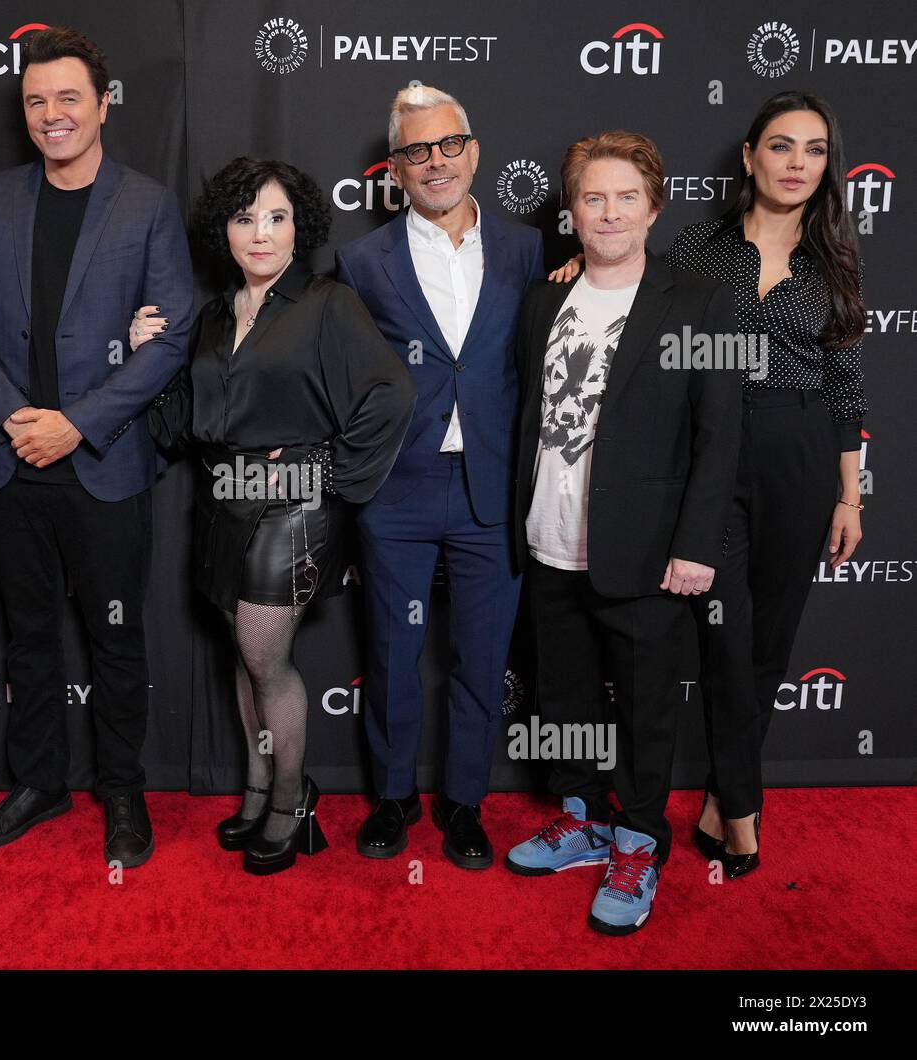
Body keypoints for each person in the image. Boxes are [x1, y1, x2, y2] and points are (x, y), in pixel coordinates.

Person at [549, 93, 868, 879]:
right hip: (709, 449)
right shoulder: (698, 245)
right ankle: (741, 805)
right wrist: (570, 271)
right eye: (782, 146)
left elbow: (847, 390)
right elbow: (628, 287)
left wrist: (849, 494)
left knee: (768, 643)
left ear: (827, 167)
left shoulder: (834, 259)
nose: (798, 162)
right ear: (750, 156)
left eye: (816, 150)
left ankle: (728, 798)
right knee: (724, 636)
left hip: (797, 453)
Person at [0, 26, 193, 867]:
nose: (52, 115)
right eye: (37, 100)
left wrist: (76, 422)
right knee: (28, 635)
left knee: (117, 636)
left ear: (103, 105)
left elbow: (172, 336)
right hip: (12, 458)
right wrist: (15, 416)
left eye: (68, 98)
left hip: (104, 461)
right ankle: (39, 782)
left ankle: (122, 789)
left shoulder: (149, 204)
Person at [139, 157, 415, 875]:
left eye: (277, 217)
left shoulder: (328, 302)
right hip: (220, 503)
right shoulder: (212, 315)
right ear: (222, 231)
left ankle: (294, 799)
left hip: (295, 507)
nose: (261, 234)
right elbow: (177, 429)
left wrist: (323, 469)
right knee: (244, 655)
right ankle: (261, 784)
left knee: (266, 655)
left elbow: (391, 394)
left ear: (301, 227)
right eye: (244, 218)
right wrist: (146, 360)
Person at [504, 132, 741, 934]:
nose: (608, 213)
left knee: (644, 710)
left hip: (647, 552)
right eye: (593, 198)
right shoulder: (545, 298)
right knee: (564, 697)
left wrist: (697, 545)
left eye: (626, 197)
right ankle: (582, 819)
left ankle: (638, 843)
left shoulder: (698, 302)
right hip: (547, 539)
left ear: (655, 206)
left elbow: (720, 436)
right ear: (571, 211)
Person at [334, 86, 544, 869]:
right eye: (417, 152)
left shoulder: (528, 250)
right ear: (395, 169)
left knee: (481, 658)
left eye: (449, 145)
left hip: (493, 486)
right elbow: (346, 376)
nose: (436, 163)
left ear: (474, 151)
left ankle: (462, 803)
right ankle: (392, 797)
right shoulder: (361, 259)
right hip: (398, 488)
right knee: (392, 652)